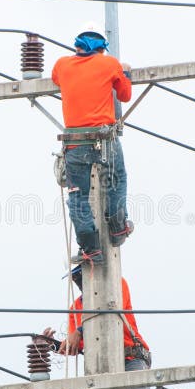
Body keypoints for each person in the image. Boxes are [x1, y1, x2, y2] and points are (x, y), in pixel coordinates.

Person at [44, 266, 153, 389]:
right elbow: (75, 345)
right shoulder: (76, 307)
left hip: (131, 355)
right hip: (101, 362)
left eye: (81, 275)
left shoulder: (116, 283)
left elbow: (111, 310)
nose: (79, 281)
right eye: (76, 277)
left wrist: (79, 330)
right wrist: (51, 345)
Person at [51, 23, 134, 265]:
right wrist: (126, 73)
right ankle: (118, 228)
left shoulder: (62, 65)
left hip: (75, 143)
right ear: (101, 49)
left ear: (77, 46)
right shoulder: (110, 64)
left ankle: (90, 248)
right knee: (116, 180)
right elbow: (125, 95)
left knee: (78, 196)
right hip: (104, 138)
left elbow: (57, 79)